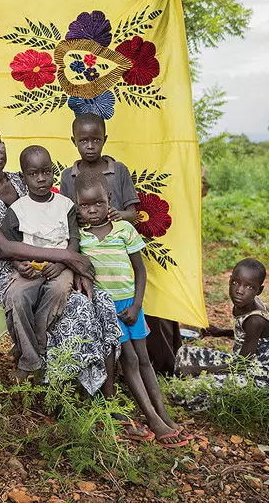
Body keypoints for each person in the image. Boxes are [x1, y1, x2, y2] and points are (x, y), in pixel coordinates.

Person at [0, 122, 120, 395]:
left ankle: (95, 389)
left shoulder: (24, 179)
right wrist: (68, 257)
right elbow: (3, 248)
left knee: (97, 301)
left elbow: (61, 223)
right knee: (72, 307)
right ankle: (51, 381)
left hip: (51, 269)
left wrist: (68, 263)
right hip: (1, 274)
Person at [59, 112, 181, 376]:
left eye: (95, 140)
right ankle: (101, 373)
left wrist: (118, 215)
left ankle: (130, 370)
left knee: (126, 318)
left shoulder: (119, 170)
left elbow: (133, 213)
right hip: (90, 250)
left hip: (117, 252)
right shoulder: (68, 177)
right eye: (83, 141)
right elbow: (68, 217)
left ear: (105, 139)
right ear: (74, 141)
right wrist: (78, 218)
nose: (89, 146)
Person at [76, 172, 190, 447]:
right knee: (128, 359)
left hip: (130, 303)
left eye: (98, 204)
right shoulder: (80, 238)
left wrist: (137, 304)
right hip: (106, 309)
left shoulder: (124, 230)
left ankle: (161, 411)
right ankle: (151, 418)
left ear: (110, 201)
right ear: (77, 206)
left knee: (143, 359)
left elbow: (140, 270)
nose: (92, 210)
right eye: (85, 206)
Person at [0, 145, 78, 382]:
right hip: (31, 269)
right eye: (33, 174)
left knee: (57, 290)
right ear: (23, 177)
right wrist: (18, 265)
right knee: (16, 297)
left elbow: (74, 241)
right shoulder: (18, 209)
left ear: (53, 171)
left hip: (60, 267)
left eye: (46, 172)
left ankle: (33, 353)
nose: (41, 179)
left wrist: (64, 265)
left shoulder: (66, 205)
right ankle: (33, 359)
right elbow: (10, 248)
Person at [173, 258, 269, 404]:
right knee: (184, 352)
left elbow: (242, 365)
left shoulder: (256, 320)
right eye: (236, 283)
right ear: (230, 281)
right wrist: (220, 332)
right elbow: (247, 334)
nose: (239, 291)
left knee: (188, 389)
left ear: (259, 290)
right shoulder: (244, 304)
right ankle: (180, 387)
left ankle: (235, 403)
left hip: (259, 377)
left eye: (249, 287)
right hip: (240, 363)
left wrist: (198, 370)